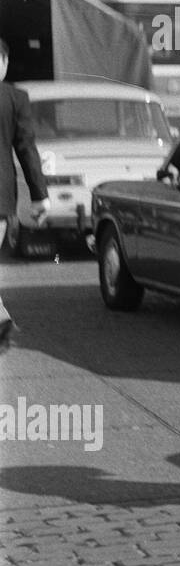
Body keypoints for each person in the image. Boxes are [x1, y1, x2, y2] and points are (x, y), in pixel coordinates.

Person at [0, 38, 51, 349]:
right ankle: (1, 319)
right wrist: (39, 194)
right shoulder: (16, 98)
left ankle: (1, 319)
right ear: (4, 62)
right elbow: (26, 149)